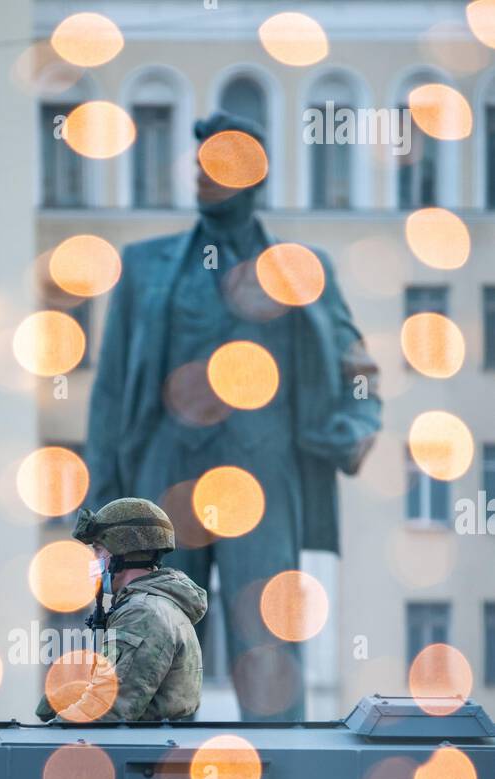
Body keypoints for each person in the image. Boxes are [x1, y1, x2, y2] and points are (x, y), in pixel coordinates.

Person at [85, 108, 382, 722]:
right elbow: (112, 392)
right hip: (166, 472)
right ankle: (142, 766)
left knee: (268, 631)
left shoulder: (304, 271)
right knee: (151, 623)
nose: (198, 177)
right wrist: (100, 500)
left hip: (262, 473)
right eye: (195, 164)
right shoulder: (145, 268)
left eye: (214, 164)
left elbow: (358, 369)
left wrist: (350, 430)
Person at [35, 498, 207, 723]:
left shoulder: (143, 613)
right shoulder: (154, 606)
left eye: (98, 550)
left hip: (139, 752)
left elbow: (107, 710)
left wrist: (45, 740)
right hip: (146, 748)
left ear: (121, 553)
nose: (92, 559)